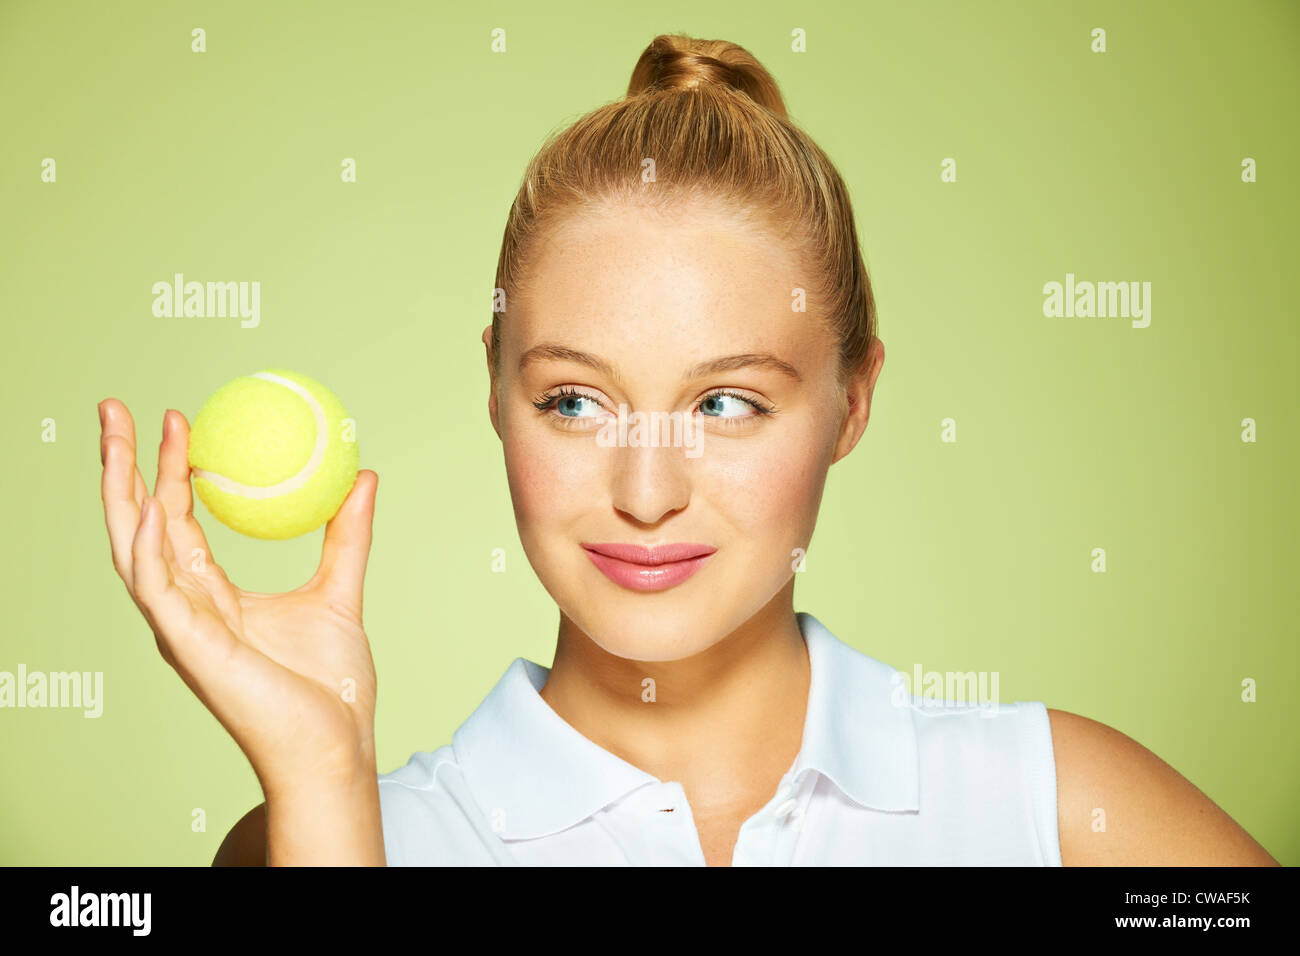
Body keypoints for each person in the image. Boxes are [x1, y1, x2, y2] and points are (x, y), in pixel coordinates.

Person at [99, 34, 1279, 866]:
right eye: (574, 401)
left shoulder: (1061, 807)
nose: (644, 491)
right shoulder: (329, 835)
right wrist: (319, 774)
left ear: (852, 401)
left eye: (725, 404)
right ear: (496, 394)